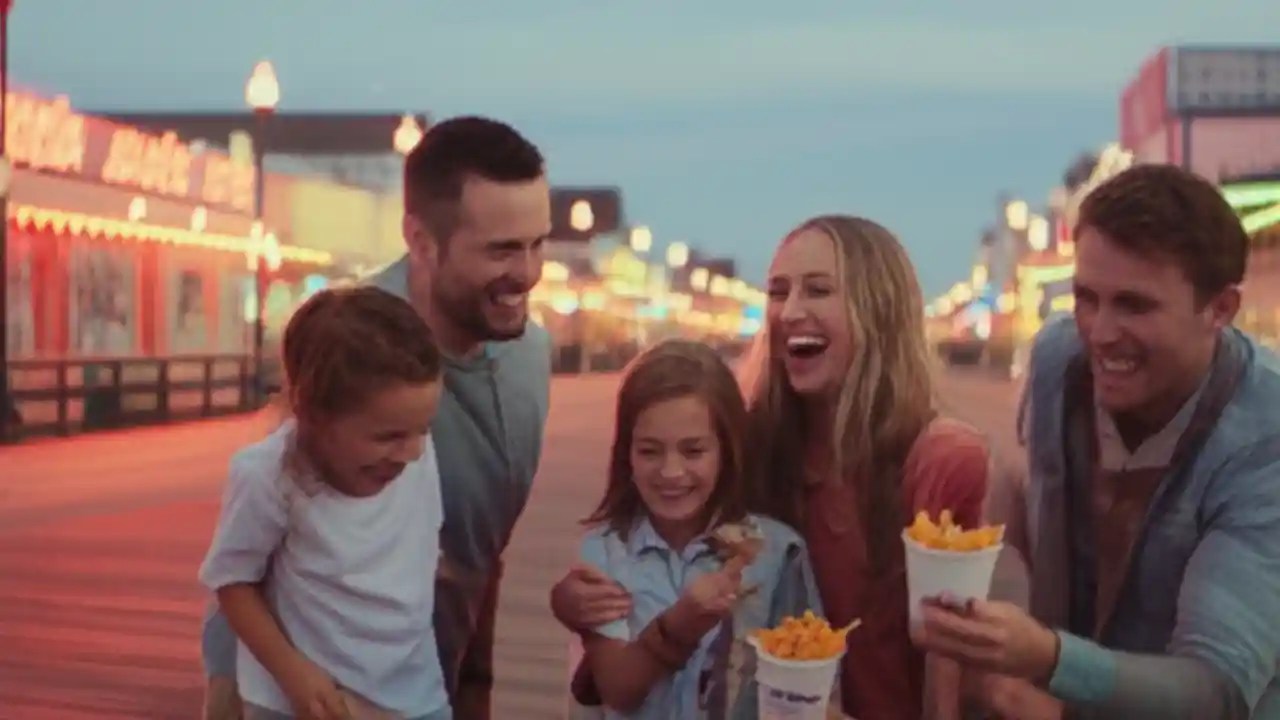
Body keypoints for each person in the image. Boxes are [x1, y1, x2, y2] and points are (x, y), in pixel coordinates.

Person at [553, 215, 990, 720]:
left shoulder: (940, 457)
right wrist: (571, 605)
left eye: (819, 290)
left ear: (880, 310)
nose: (790, 311)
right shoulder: (751, 442)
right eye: (778, 292)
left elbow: (950, 655)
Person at [202, 115, 553, 720]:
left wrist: (476, 690)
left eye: (537, 243)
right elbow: (260, 547)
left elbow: (481, 550)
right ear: (420, 239)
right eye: (501, 249)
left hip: (421, 689)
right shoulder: (349, 347)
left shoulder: (531, 356)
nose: (526, 274)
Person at [912, 164, 1280, 719]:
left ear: (1220, 310)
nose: (1101, 333)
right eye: (1086, 297)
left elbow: (1218, 690)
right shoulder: (1058, 361)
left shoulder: (1264, 436)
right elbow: (1021, 521)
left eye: (1134, 305)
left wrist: (1048, 661)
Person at [199, 286, 450, 720]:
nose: (412, 452)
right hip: (304, 702)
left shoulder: (416, 455)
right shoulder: (268, 475)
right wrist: (292, 673)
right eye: (389, 436)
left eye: (423, 429)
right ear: (313, 413)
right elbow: (231, 581)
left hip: (413, 695)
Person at [567, 339, 822, 718]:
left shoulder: (778, 553)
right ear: (626, 453)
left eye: (693, 451)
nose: (671, 472)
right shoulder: (604, 554)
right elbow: (618, 690)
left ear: (727, 450)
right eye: (650, 451)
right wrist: (680, 624)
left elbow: (809, 679)